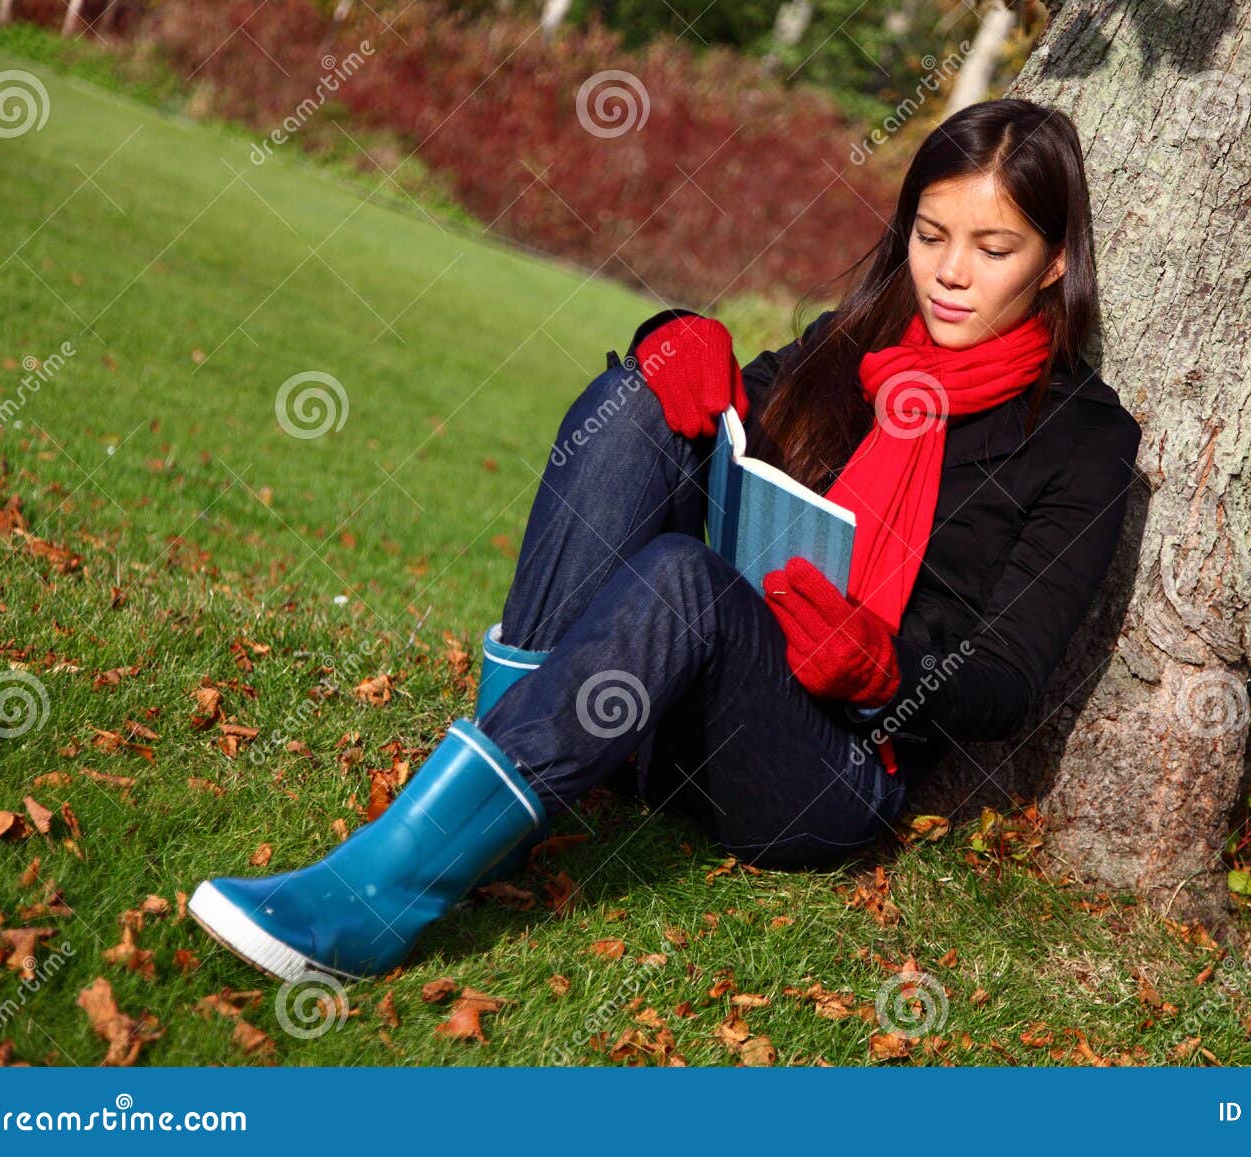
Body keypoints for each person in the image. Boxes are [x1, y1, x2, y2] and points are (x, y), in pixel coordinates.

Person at [187, 98, 1143, 984]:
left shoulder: (1083, 440)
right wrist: (674, 339)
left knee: (684, 578)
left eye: (994, 247)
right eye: (931, 236)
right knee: (634, 405)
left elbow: (1012, 672)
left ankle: (388, 886)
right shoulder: (852, 342)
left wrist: (885, 665)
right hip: (666, 700)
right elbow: (718, 412)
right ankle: (505, 808)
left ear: (1055, 262)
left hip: (825, 769)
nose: (950, 272)